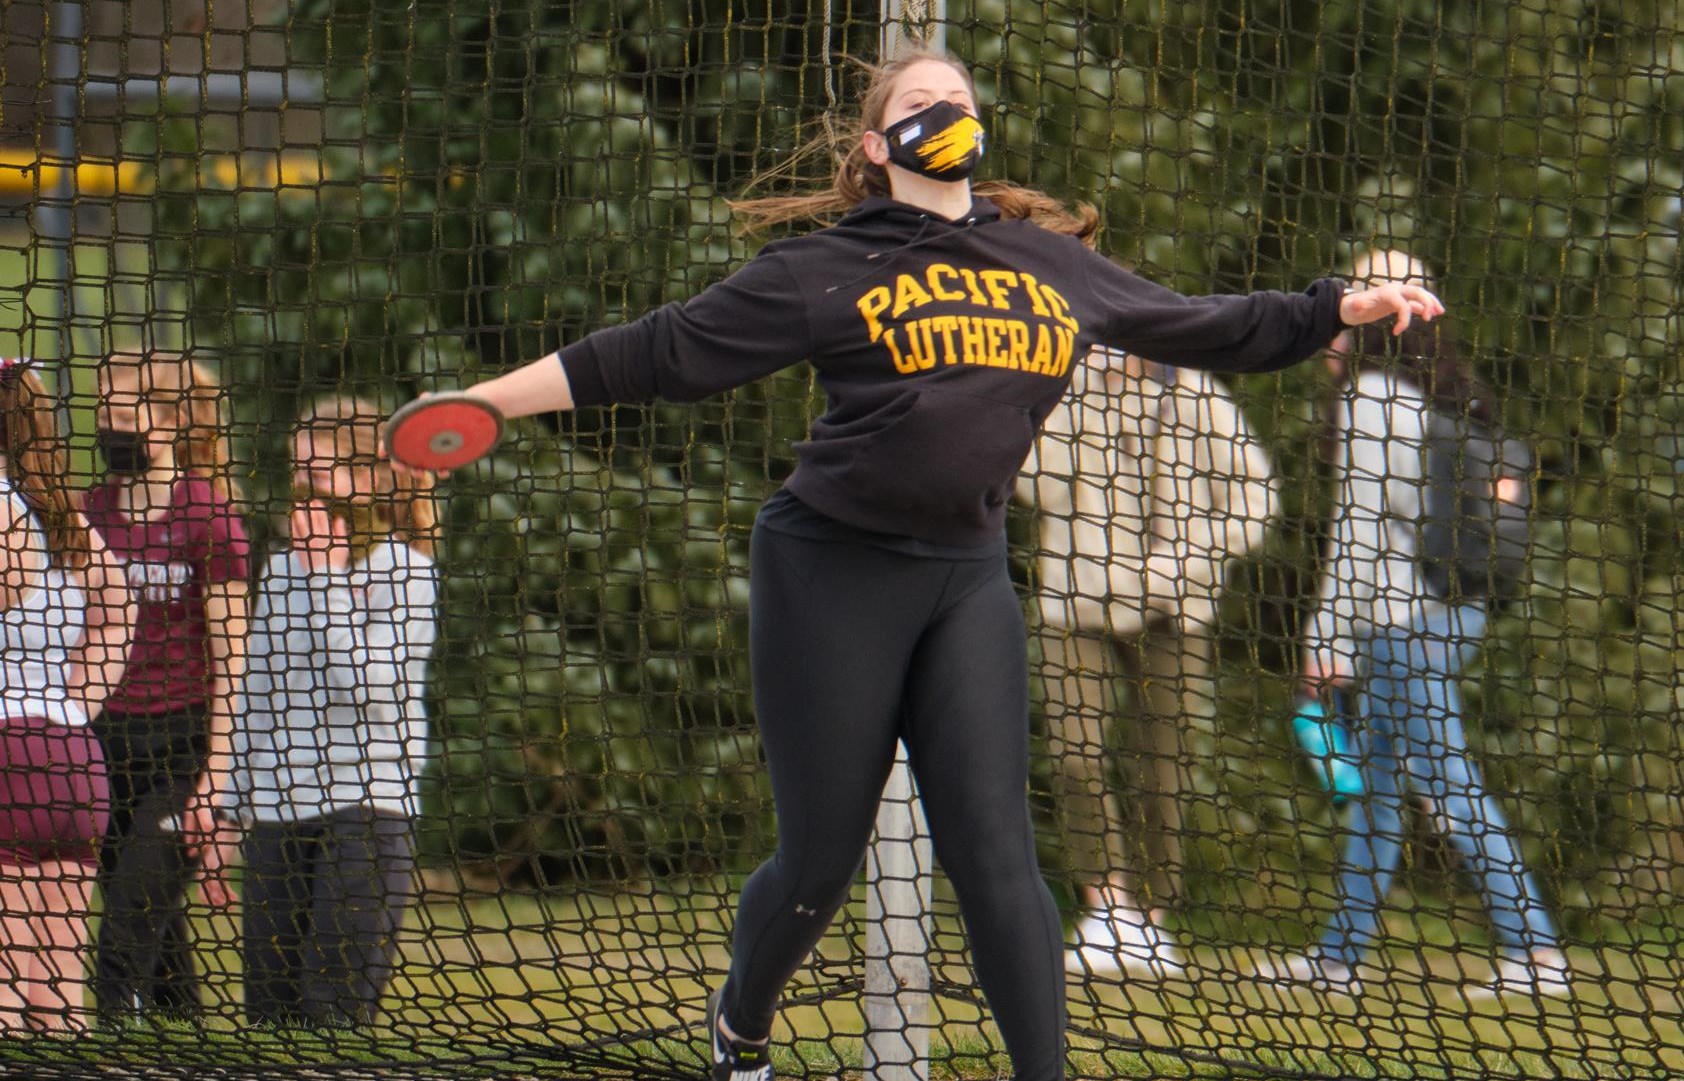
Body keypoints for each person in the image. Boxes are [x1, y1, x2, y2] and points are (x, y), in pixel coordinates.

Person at [391, 51, 1441, 1081]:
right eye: (923, 101)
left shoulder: (1047, 261)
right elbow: (657, 351)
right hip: (830, 570)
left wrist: (1330, 309)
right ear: (876, 145)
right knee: (819, 863)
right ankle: (741, 1028)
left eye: (960, 99)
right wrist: (485, 403)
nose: (947, 110)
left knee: (997, 856)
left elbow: (1202, 324)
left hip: (965, 578)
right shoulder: (822, 269)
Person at [1268, 249, 1566, 999]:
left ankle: (1536, 953)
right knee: (1379, 793)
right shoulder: (1432, 397)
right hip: (1443, 612)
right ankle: (1339, 959)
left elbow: (1359, 530)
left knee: (1447, 782)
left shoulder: (1371, 399)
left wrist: (1326, 640)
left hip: (1404, 623)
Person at [1016, 346, 1276, 977]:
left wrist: (1187, 559)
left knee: (1166, 762)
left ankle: (1152, 921)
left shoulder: (1197, 392)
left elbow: (1257, 501)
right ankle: (1106, 910)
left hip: (1174, 610)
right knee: (1075, 755)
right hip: (1076, 601)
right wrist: (1079, 400)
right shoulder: (1069, 389)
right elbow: (1031, 484)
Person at [208, 395, 438, 1027]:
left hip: (365, 809)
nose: (304, 487)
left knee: (331, 1015)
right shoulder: (281, 568)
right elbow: (257, 694)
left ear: (367, 479)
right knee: (271, 1017)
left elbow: (369, 687)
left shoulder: (407, 572)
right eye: (298, 470)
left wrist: (327, 580)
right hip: (278, 811)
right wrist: (231, 811)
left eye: (318, 470)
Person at [86, 351, 252, 1023]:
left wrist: (216, 781)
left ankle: (105, 1040)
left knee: (128, 918)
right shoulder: (88, 512)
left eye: (125, 413)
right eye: (103, 411)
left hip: (182, 749)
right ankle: (181, 1037)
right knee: (154, 926)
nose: (110, 426)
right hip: (104, 743)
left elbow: (232, 660)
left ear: (172, 421)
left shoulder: (210, 517)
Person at [0, 357, 136, 1031]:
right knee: (58, 994)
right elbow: (120, 608)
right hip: (74, 759)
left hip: (8, 758)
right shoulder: (62, 514)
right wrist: (76, 702)